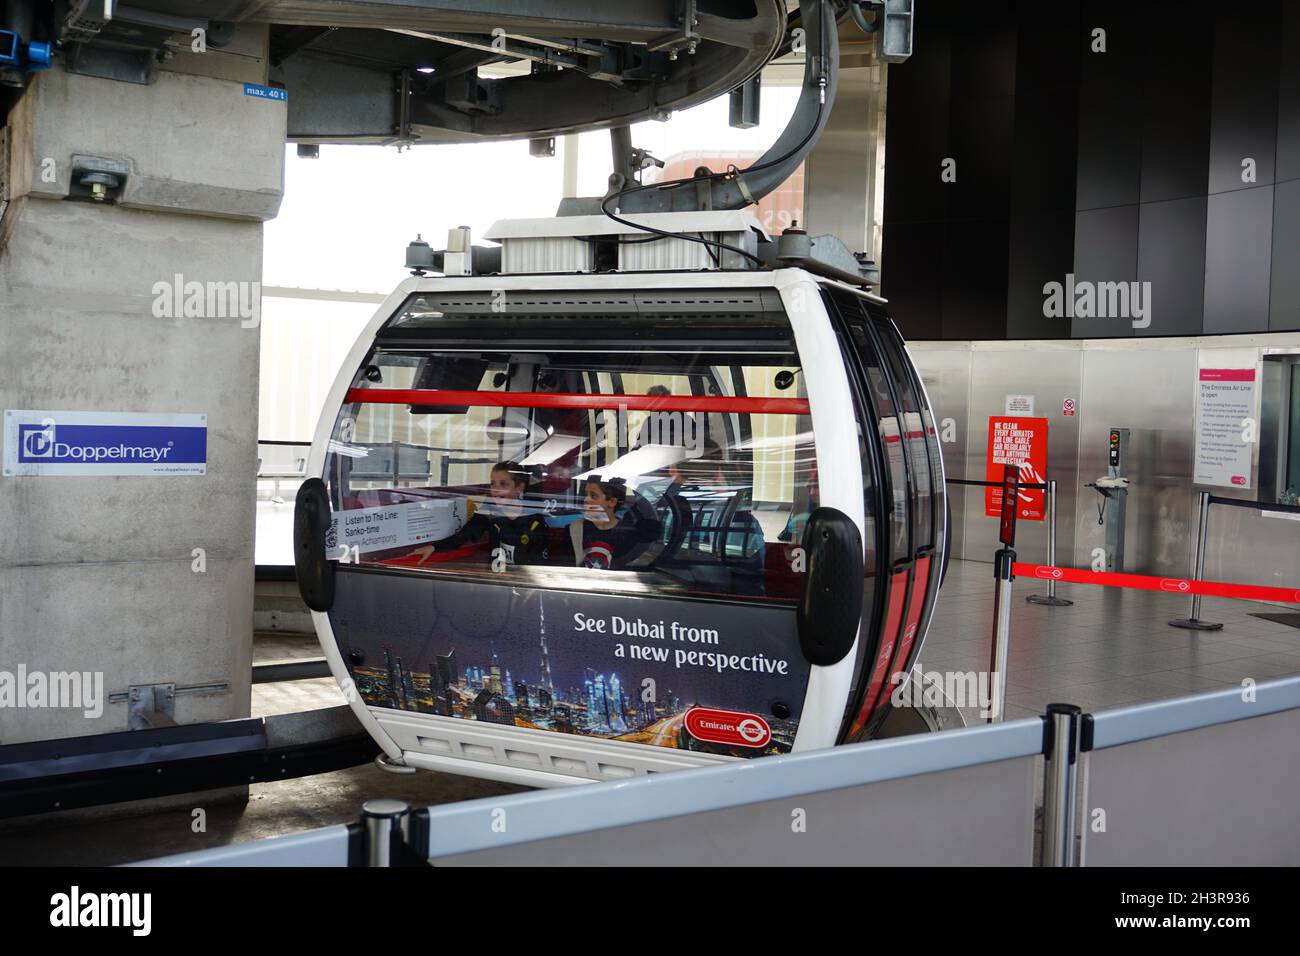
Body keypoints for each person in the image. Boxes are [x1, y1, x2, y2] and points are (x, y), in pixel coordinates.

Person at [408, 461, 549, 567]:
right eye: (493, 484)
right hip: (498, 582)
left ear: (519, 487)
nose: (496, 490)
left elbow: (538, 567)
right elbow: (464, 535)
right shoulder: (489, 512)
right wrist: (433, 547)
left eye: (503, 484)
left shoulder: (534, 522)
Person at [571, 476, 660, 570]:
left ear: (612, 501)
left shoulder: (630, 533)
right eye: (585, 495)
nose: (586, 500)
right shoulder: (574, 530)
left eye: (593, 496)